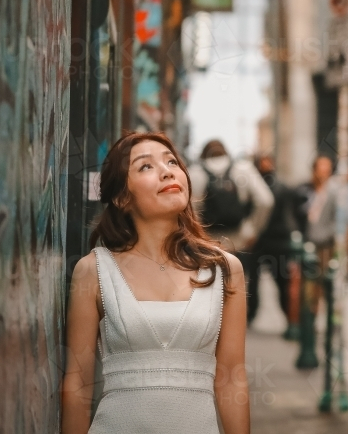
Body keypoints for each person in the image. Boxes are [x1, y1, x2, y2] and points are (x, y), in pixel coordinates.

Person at [62, 132, 249, 434]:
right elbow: (78, 381)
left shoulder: (225, 269)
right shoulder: (93, 270)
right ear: (123, 197)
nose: (167, 171)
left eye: (172, 161)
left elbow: (231, 377)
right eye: (146, 166)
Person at [188, 139, 274, 255]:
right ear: (226, 152)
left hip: (208, 242)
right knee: (239, 272)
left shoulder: (194, 173)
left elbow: (191, 210)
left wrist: (197, 236)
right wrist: (253, 230)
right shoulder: (243, 168)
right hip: (238, 241)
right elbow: (266, 201)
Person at [246, 154, 302, 327]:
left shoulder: (278, 187)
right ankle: (253, 315)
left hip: (273, 239)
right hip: (264, 240)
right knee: (256, 282)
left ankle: (288, 317)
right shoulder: (274, 186)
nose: (266, 165)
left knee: (280, 280)